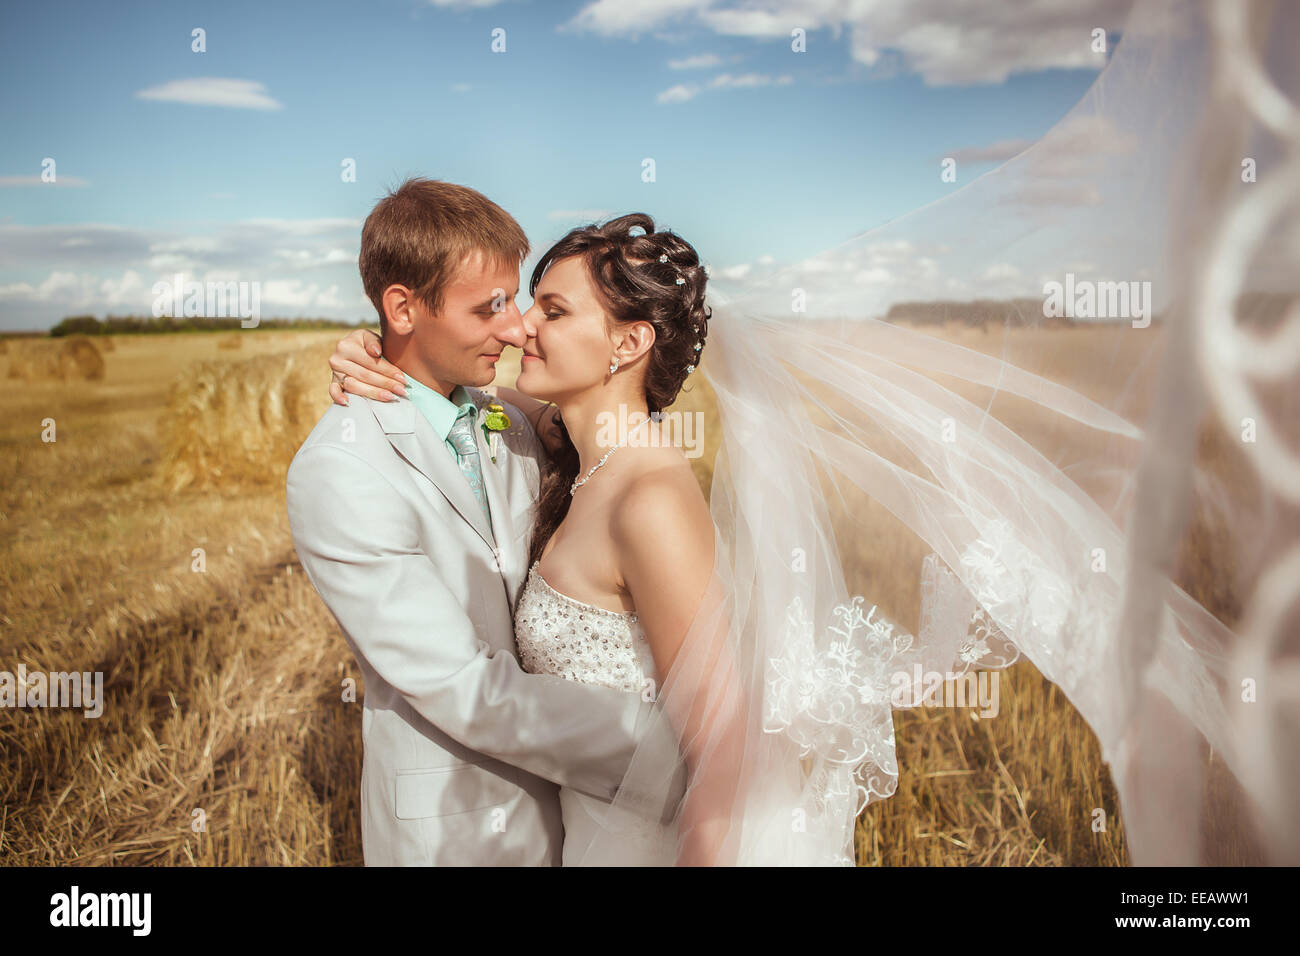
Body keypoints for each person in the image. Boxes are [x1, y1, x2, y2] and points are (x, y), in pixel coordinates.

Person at [286, 178, 683, 867]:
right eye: (488, 309)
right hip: (463, 832)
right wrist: (669, 753)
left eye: (518, 302)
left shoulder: (507, 413)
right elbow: (468, 691)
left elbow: (610, 431)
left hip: (582, 818)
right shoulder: (341, 470)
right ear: (403, 308)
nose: (515, 327)